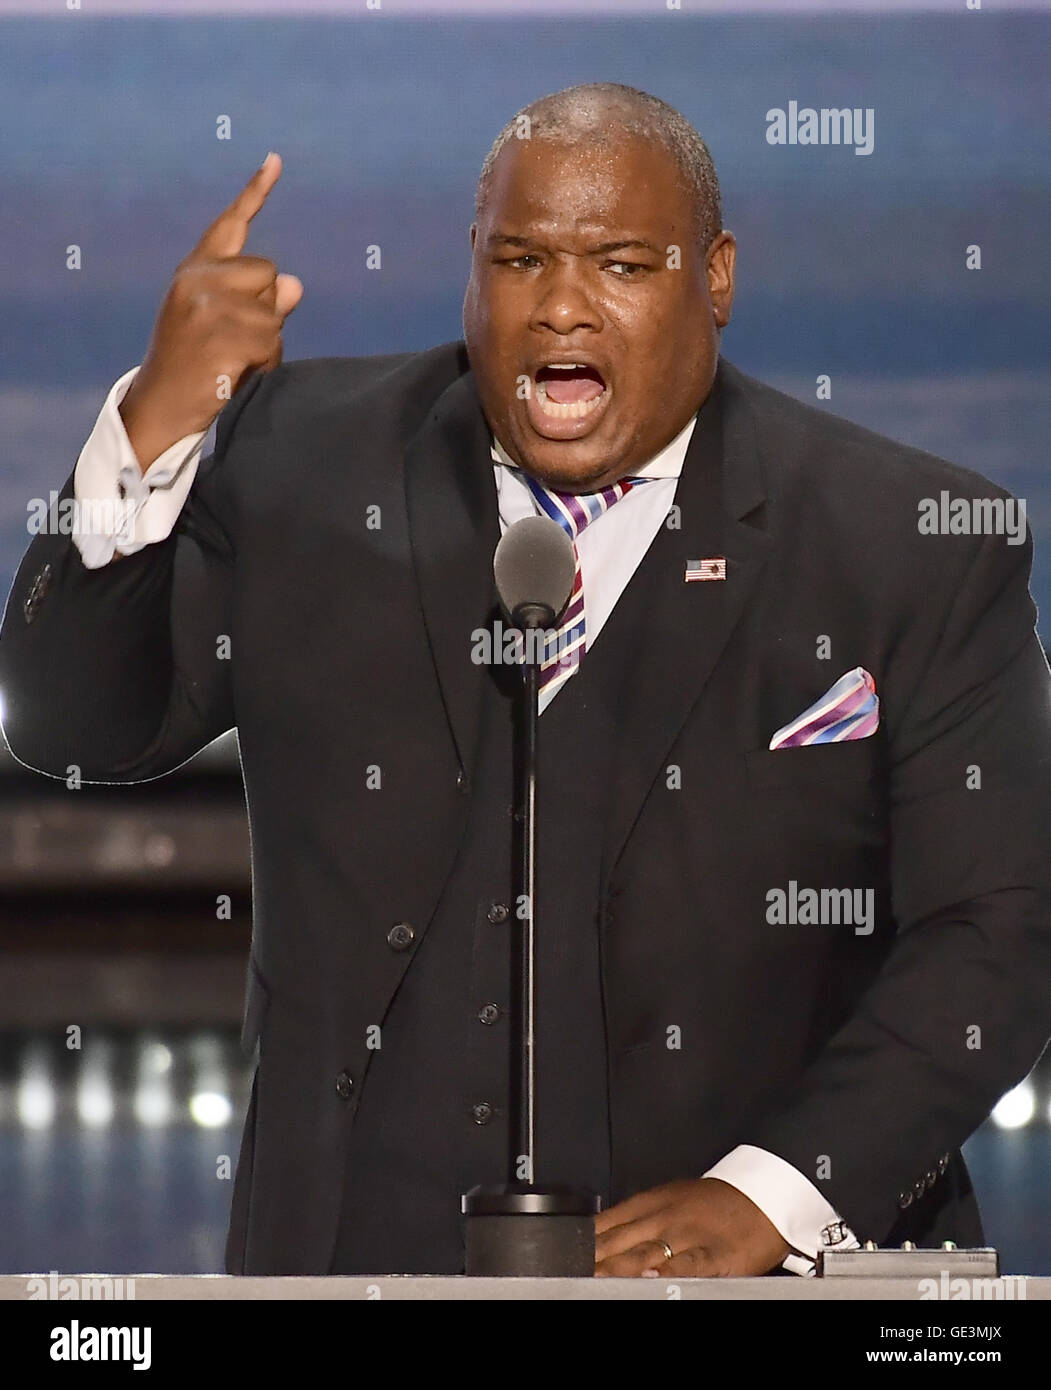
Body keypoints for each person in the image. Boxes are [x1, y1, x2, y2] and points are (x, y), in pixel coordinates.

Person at [2, 83, 1049, 1279]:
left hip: (741, 1282)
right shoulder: (301, 460)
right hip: (347, 1266)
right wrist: (154, 423)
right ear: (471, 270)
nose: (560, 306)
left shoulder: (908, 541)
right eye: (519, 259)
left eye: (619, 264)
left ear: (713, 277)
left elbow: (1002, 928)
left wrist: (774, 1194)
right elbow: (75, 725)